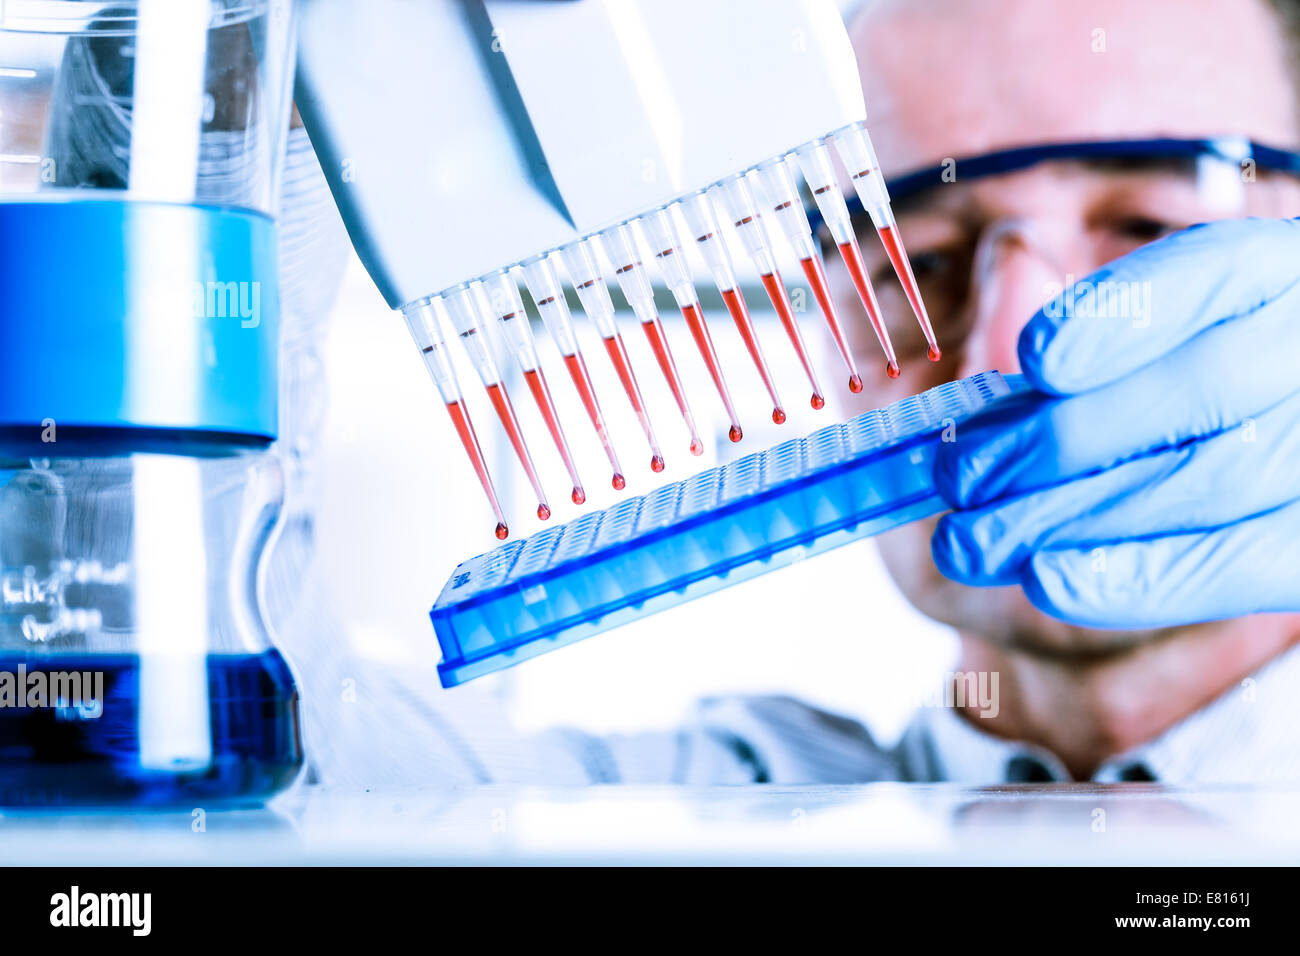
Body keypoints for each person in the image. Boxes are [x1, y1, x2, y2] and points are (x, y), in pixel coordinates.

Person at [285, 0, 1300, 787]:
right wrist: (234, 106)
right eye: (921, 257)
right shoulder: (707, 816)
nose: (1003, 348)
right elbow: (256, 742)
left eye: (1152, 232)